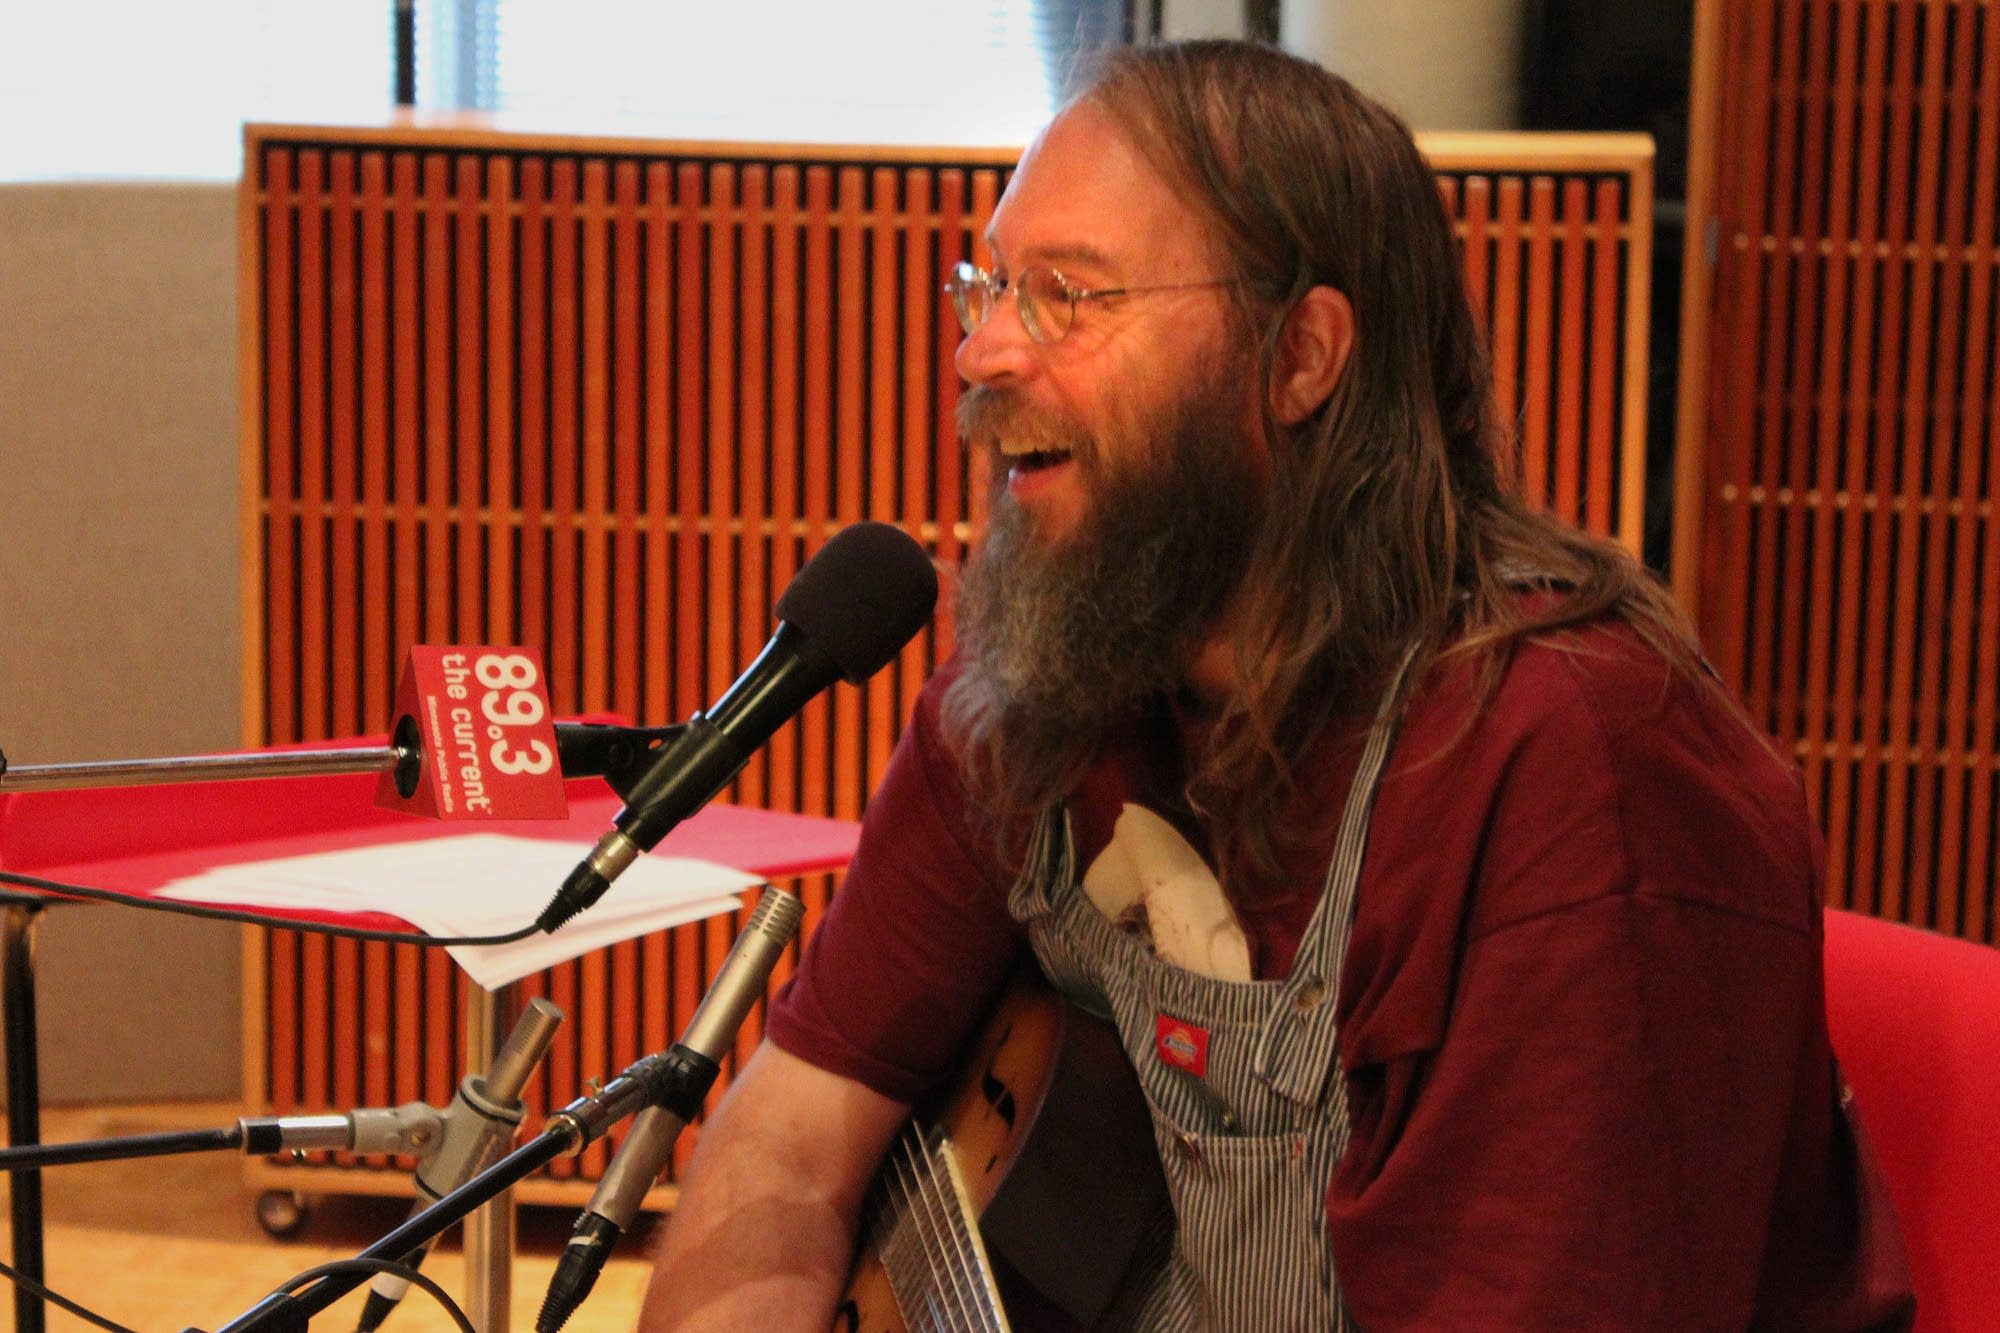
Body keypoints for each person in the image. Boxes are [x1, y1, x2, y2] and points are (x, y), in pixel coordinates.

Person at [639, 39, 1913, 1331]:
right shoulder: (1041, 679)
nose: (982, 355)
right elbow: (792, 1140)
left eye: (1069, 296)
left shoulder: (1571, 766)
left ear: (1302, 356)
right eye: (990, 288)